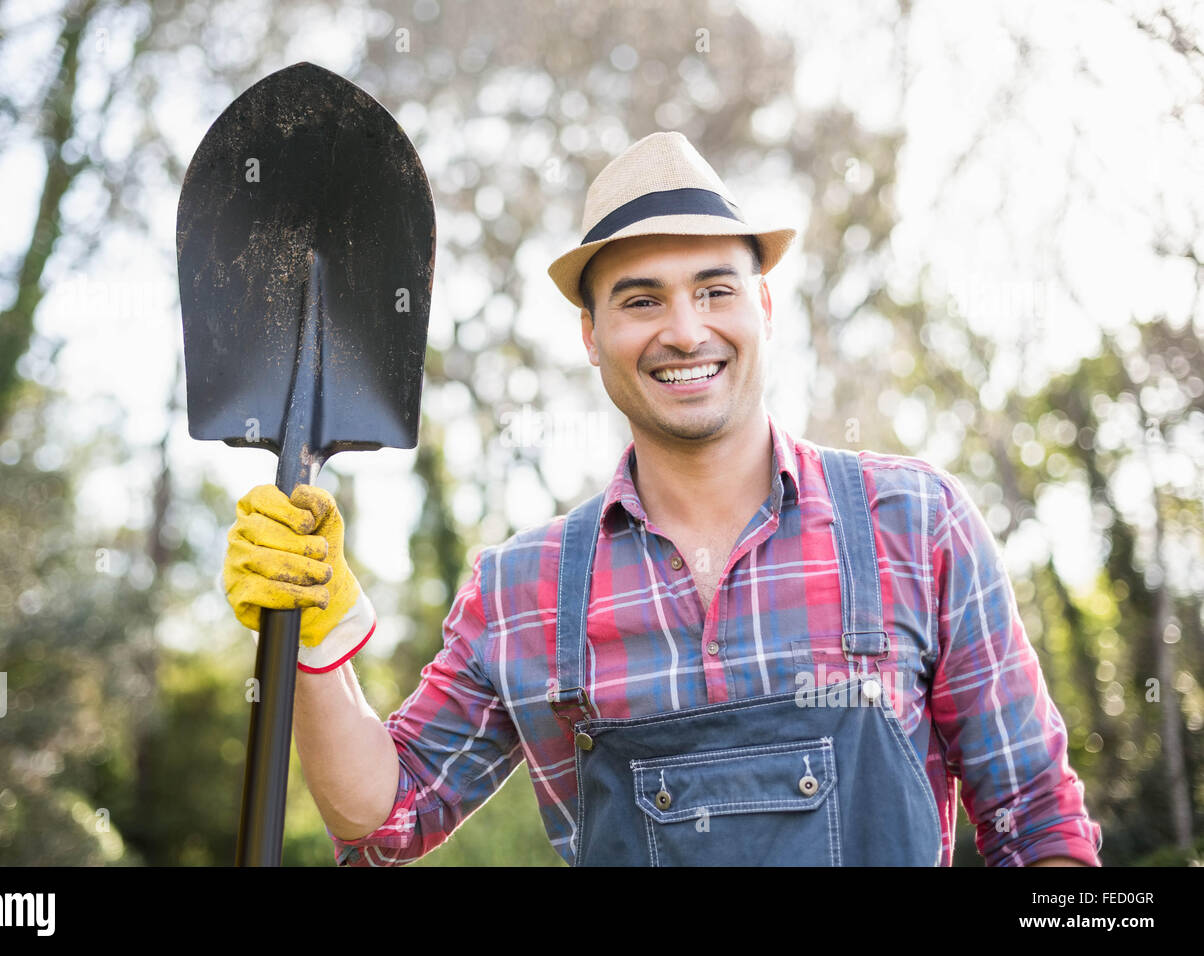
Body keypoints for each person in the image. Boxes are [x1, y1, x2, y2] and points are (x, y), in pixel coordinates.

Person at [221, 131, 1103, 866]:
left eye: (714, 289)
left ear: (762, 304)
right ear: (591, 335)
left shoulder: (914, 527)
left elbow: (1036, 820)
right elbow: (387, 820)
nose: (685, 330)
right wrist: (317, 641)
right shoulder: (522, 592)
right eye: (641, 300)